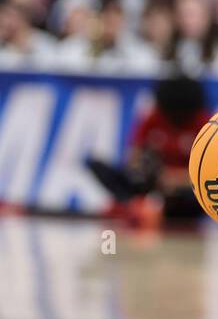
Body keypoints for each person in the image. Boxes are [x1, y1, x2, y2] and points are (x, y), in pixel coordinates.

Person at [87, 76, 210, 226]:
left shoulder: (205, 123)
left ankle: (149, 209)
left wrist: (178, 179)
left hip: (184, 190)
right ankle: (135, 204)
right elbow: (133, 157)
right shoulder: (153, 118)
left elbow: (212, 171)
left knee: (199, 195)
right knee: (95, 164)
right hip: (153, 183)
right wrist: (146, 169)